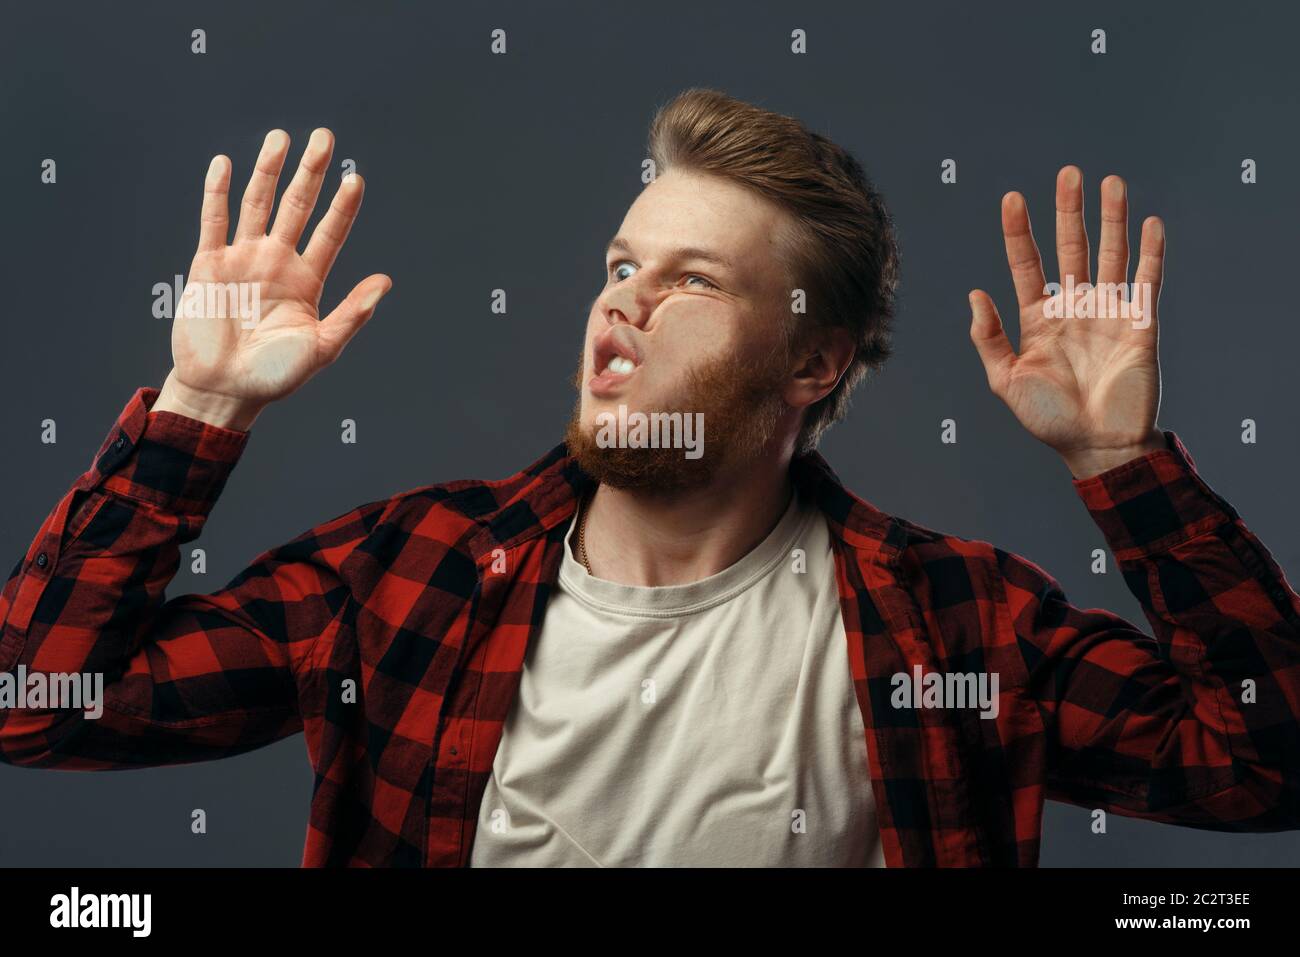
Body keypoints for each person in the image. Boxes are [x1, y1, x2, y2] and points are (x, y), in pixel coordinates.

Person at [2, 89, 1297, 867]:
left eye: (693, 282)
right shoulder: (407, 575)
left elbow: (1268, 764)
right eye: (625, 266)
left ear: (812, 359)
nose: (622, 308)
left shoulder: (954, 626)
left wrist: (1122, 465)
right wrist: (200, 405)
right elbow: (38, 704)